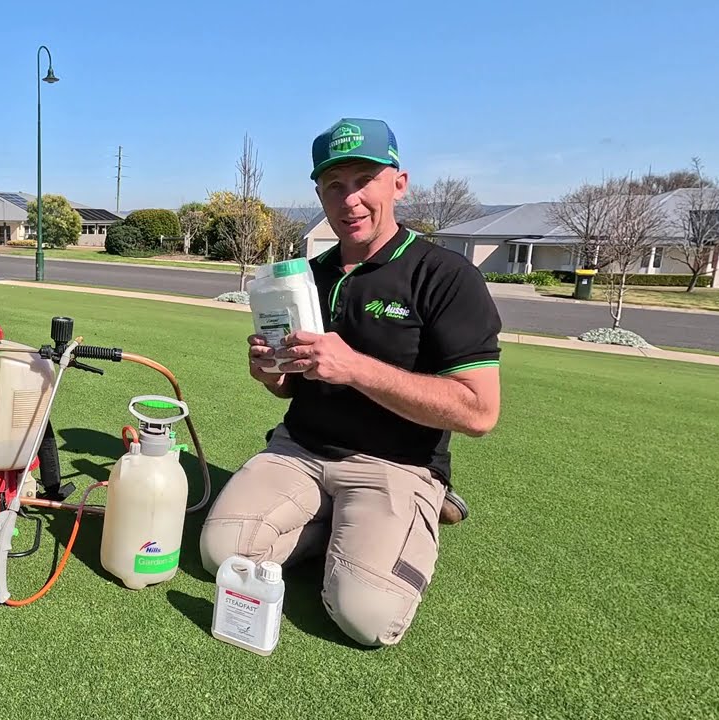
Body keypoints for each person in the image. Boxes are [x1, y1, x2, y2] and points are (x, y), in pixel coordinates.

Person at [198, 117, 503, 647]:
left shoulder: (445, 276)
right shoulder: (306, 276)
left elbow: (479, 412)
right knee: (219, 556)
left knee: (365, 616)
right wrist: (272, 374)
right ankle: (341, 526)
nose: (350, 200)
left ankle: (421, 510)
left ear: (398, 182)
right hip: (300, 450)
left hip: (396, 462)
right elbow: (294, 387)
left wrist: (355, 366)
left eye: (364, 180)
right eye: (334, 186)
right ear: (318, 192)